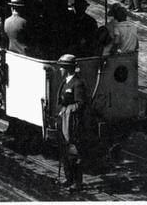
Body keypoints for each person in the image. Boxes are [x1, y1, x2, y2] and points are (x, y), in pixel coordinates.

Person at [56, 54, 87, 191]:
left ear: (68, 68)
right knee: (64, 151)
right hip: (64, 121)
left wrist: (68, 110)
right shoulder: (65, 82)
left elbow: (80, 104)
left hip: (73, 123)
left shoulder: (77, 83)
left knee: (74, 153)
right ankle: (68, 178)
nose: (60, 70)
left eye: (62, 67)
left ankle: (77, 182)